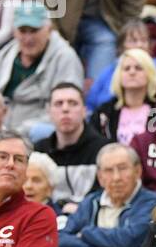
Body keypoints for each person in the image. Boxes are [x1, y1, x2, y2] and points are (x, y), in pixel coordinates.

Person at [53, 142, 156, 247]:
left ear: (138, 171)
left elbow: (129, 243)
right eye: (109, 171)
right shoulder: (91, 202)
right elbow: (60, 242)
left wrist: (87, 233)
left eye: (122, 168)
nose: (116, 177)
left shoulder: (151, 203)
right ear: (100, 177)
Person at [0, 1, 85, 139]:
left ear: (49, 29)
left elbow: (66, 109)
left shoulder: (65, 58)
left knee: (42, 131)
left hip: (38, 133)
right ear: (14, 32)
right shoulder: (1, 59)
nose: (28, 38)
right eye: (23, 31)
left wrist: (22, 131)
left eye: (34, 31)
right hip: (0, 131)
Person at [35, 83, 107, 213]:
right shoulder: (38, 151)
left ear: (84, 111)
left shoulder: (104, 150)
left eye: (72, 103)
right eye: (58, 103)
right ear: (49, 111)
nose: (65, 109)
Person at [91, 49, 156, 145]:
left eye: (138, 68)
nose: (132, 72)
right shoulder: (105, 112)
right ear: (119, 75)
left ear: (149, 74)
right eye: (127, 68)